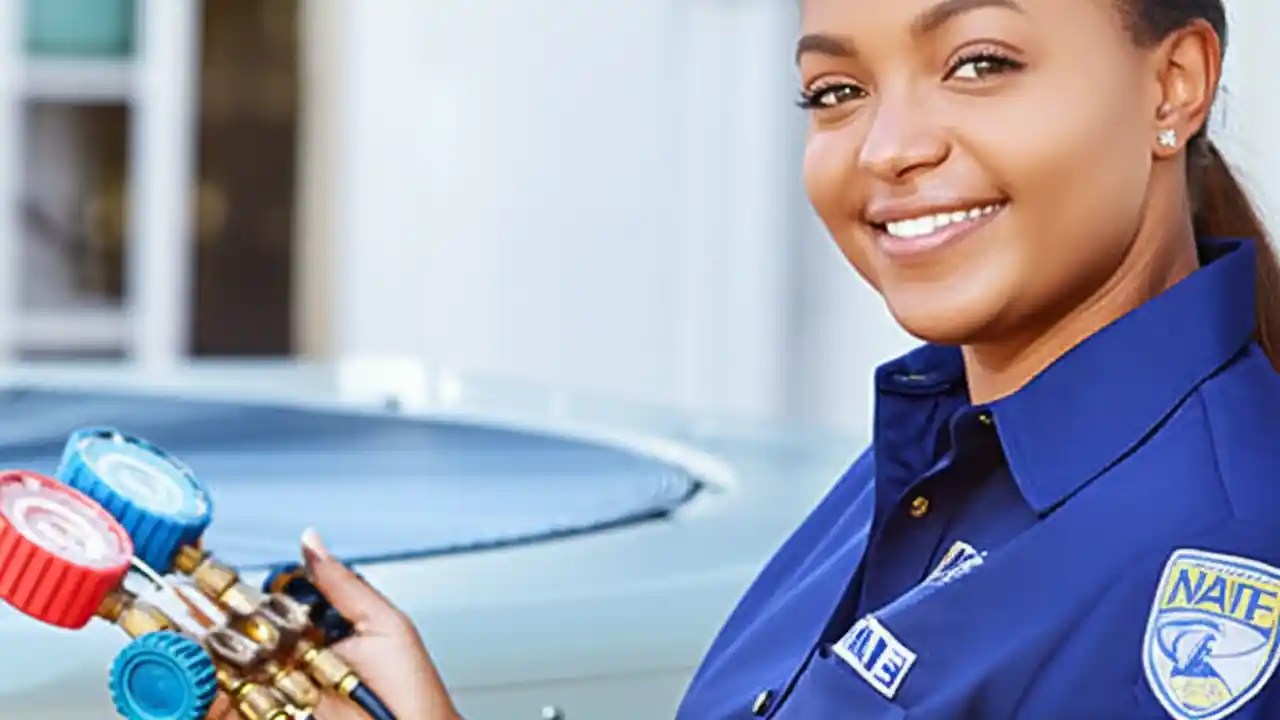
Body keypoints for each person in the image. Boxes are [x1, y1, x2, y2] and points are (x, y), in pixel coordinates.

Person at [217, 0, 1280, 717]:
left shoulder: (1212, 561)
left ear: (1172, 85)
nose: (885, 148)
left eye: (978, 64)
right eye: (834, 93)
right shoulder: (934, 454)